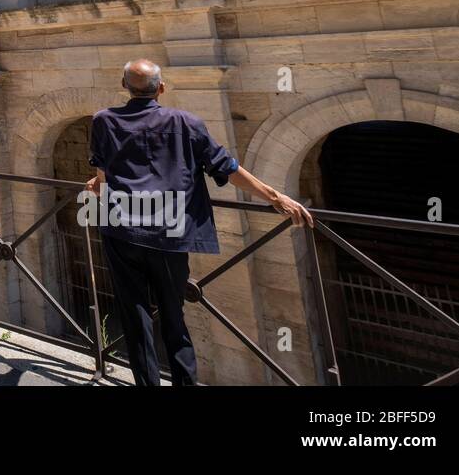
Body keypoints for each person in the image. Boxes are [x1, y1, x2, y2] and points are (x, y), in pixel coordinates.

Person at [85, 59, 312, 386]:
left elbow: (103, 169)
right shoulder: (185, 122)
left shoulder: (103, 120)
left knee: (135, 319)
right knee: (174, 319)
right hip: (169, 231)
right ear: (161, 88)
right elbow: (227, 167)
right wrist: (276, 198)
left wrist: (99, 185)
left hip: (121, 230)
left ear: (124, 87)